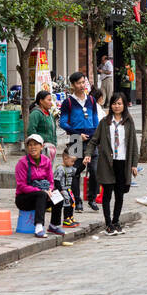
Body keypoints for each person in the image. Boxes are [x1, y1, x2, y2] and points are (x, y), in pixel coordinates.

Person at [85, 93, 137, 235]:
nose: (117, 106)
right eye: (114, 103)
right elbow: (94, 141)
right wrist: (88, 154)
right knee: (107, 194)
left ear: (124, 105)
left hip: (123, 162)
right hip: (107, 163)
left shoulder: (129, 122)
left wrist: (134, 164)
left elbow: (133, 144)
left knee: (120, 194)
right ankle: (108, 224)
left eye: (119, 103)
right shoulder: (104, 122)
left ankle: (116, 221)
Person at [59, 71, 100, 212]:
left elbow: (95, 120)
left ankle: (92, 198)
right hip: (75, 139)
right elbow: (63, 122)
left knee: (95, 170)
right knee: (75, 170)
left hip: (92, 139)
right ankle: (77, 200)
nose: (82, 85)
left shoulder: (92, 100)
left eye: (83, 82)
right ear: (73, 85)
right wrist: (77, 133)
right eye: (78, 83)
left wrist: (97, 136)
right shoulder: (68, 102)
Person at [16, 134, 64, 238]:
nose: (32, 147)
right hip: (24, 199)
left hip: (42, 195)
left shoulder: (46, 161)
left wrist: (50, 190)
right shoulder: (22, 163)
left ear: (41, 146)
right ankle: (38, 227)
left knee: (58, 196)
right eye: (30, 145)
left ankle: (54, 225)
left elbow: (51, 181)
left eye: (35, 144)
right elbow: (21, 186)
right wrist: (40, 190)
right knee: (41, 194)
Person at [25, 90, 58, 159]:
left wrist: (54, 144)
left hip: (50, 149)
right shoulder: (36, 113)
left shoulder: (50, 115)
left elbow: (54, 131)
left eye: (51, 100)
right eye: (48, 100)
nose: (51, 103)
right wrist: (37, 146)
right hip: (40, 150)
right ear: (41, 101)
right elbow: (31, 130)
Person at [54, 152, 80, 228]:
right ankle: (66, 219)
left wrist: (84, 165)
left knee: (72, 202)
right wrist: (60, 190)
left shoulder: (71, 168)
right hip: (63, 189)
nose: (73, 163)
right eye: (72, 161)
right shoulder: (60, 168)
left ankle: (71, 217)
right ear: (65, 159)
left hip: (69, 189)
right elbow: (56, 180)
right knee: (67, 203)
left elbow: (77, 171)